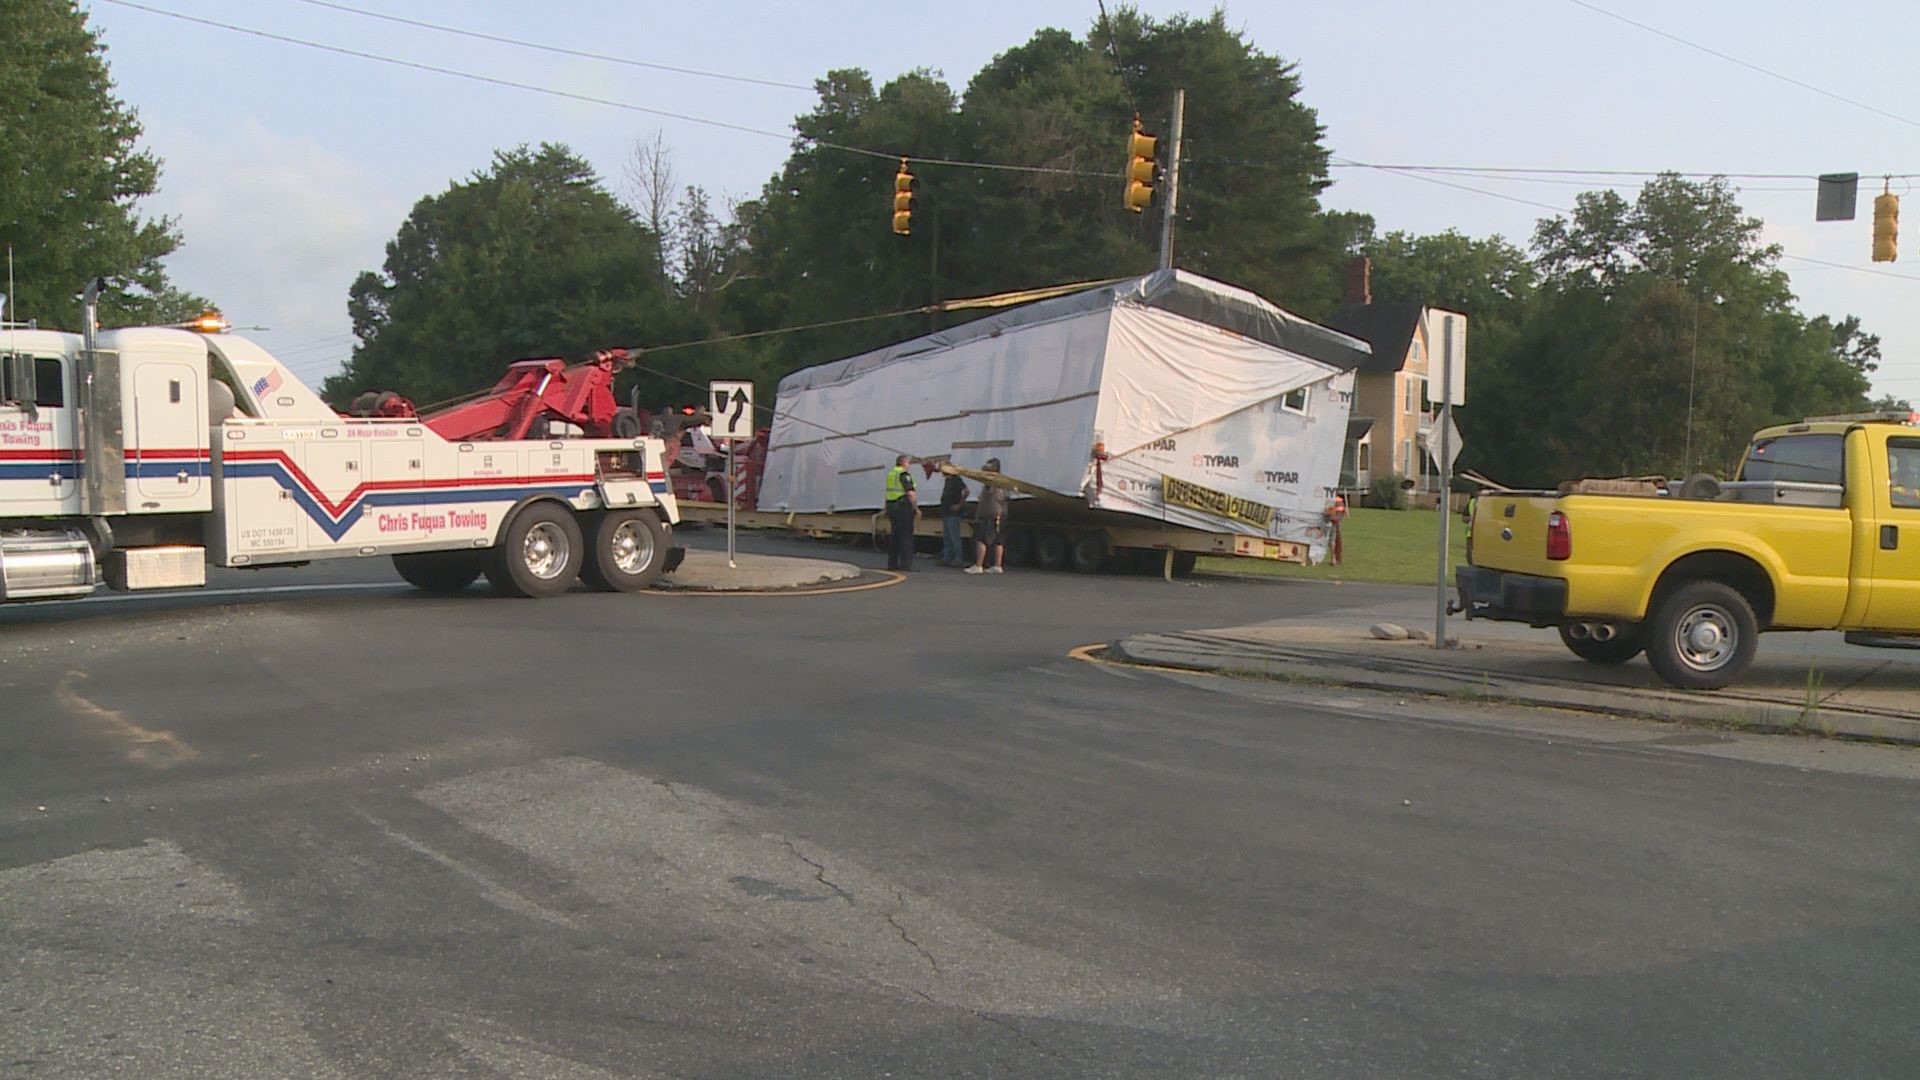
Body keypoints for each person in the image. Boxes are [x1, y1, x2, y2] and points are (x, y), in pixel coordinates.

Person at [965, 458, 1008, 575]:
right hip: (1001, 514)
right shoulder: (1004, 482)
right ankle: (997, 565)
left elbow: (986, 474)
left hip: (990, 515)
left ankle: (978, 565)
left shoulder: (991, 481)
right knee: (999, 541)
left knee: (981, 539)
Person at [883, 453, 919, 572]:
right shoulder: (903, 474)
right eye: (908, 463)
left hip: (892, 506)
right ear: (903, 463)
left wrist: (885, 507)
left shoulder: (891, 474)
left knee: (895, 535)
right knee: (906, 536)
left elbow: (888, 492)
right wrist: (916, 508)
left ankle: (892, 563)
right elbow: (910, 492)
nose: (909, 466)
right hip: (902, 507)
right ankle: (906, 564)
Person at [937, 466, 969, 566]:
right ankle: (947, 558)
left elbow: (966, 491)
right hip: (946, 512)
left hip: (953, 513)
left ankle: (958, 559)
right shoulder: (948, 480)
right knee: (947, 537)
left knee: (954, 536)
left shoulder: (956, 479)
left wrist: (959, 505)